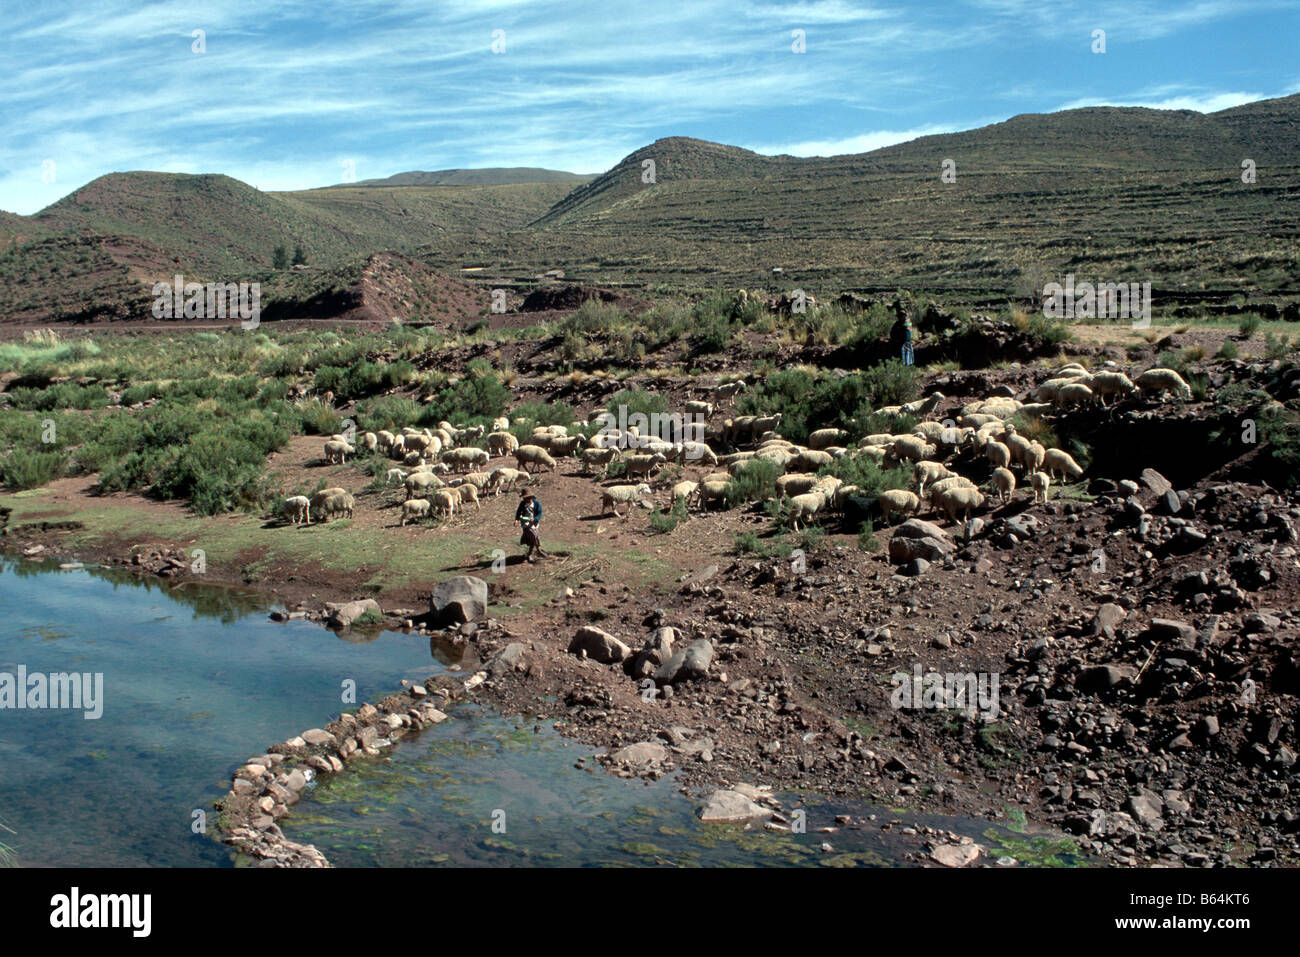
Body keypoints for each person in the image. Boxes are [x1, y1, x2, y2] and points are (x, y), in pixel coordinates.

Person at [514, 490, 545, 562]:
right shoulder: (522, 504)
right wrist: (516, 520)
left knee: (535, 536)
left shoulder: (537, 503)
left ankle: (538, 550)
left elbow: (540, 513)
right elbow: (518, 512)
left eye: (526, 498)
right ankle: (531, 553)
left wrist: (535, 519)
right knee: (533, 536)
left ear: (530, 497)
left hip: (534, 523)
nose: (524, 500)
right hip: (525, 524)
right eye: (524, 498)